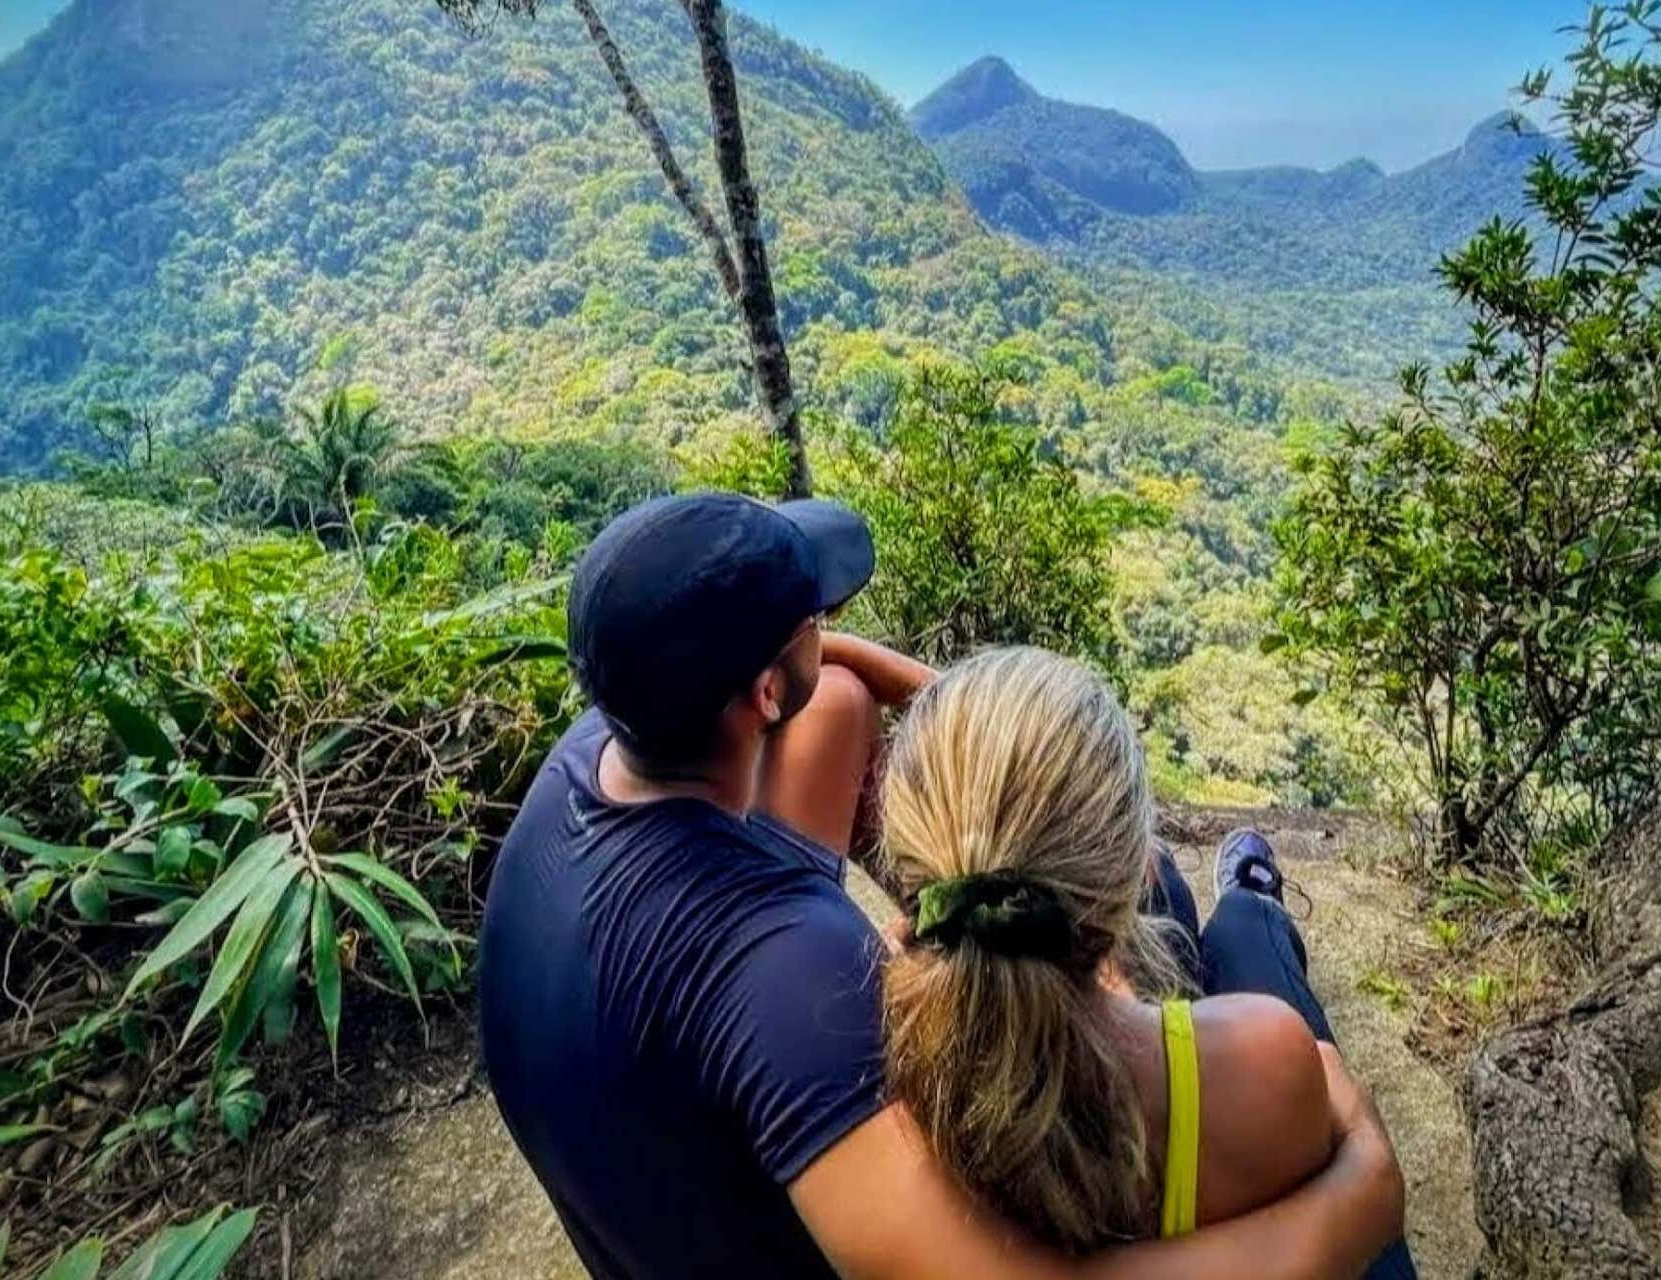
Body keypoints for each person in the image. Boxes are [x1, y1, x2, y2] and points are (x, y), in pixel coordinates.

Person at [479, 491, 1405, 1280]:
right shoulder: (797, 984)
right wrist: (1356, 1203)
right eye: (815, 621)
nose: (828, 629)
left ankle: (1132, 907)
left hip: (650, 1194)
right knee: (1202, 912)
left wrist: (951, 714)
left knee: (855, 715)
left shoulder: (596, 755)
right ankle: (1243, 906)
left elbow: (821, 690)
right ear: (763, 692)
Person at [879, 646, 1417, 1275]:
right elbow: (1329, 1100)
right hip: (1200, 1088)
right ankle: (1251, 895)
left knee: (1177, 917)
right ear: (1130, 872)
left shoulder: (864, 1091)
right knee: (1245, 929)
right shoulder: (1270, 1058)